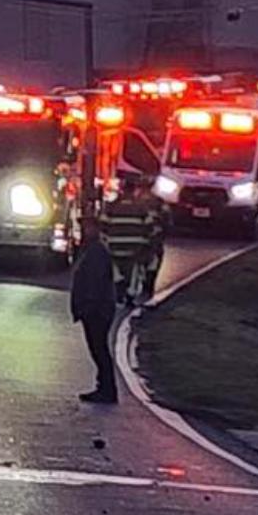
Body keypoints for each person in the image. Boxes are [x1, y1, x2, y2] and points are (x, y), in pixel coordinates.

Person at [70, 219, 118, 403]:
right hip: (96, 308)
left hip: (97, 310)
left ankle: (107, 389)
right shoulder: (91, 250)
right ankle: (104, 387)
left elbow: (94, 283)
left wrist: (87, 306)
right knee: (98, 349)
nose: (84, 231)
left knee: (99, 349)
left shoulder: (96, 252)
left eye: (87, 227)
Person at [102, 173, 166, 306]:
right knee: (138, 265)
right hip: (136, 248)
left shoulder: (111, 207)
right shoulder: (143, 207)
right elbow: (152, 227)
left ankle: (119, 286)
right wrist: (150, 240)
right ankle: (133, 293)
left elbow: (103, 227)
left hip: (115, 247)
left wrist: (108, 240)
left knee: (113, 264)